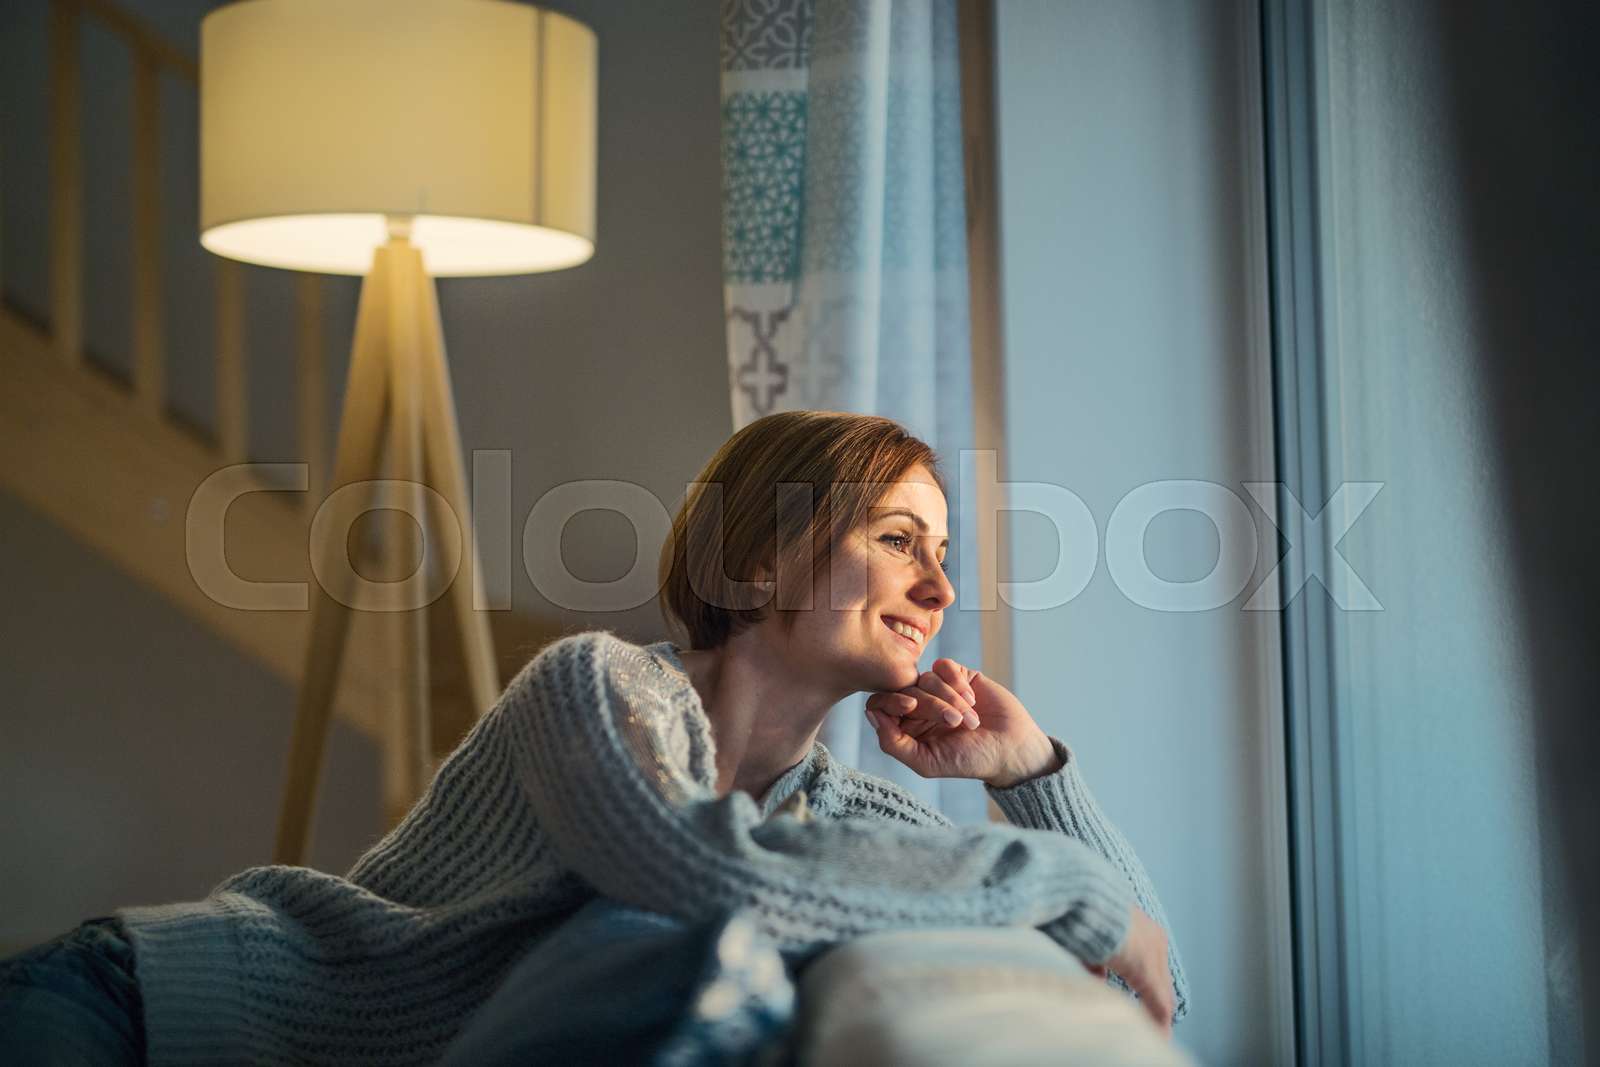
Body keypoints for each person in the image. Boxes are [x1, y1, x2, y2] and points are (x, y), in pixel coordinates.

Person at [0, 410, 1188, 1064]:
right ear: (761, 552)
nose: (936, 584)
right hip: (148, 1011)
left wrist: (1026, 771)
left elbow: (1146, 978)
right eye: (896, 537)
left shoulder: (835, 817)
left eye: (942, 553)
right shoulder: (597, 686)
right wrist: (1068, 886)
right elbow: (688, 865)